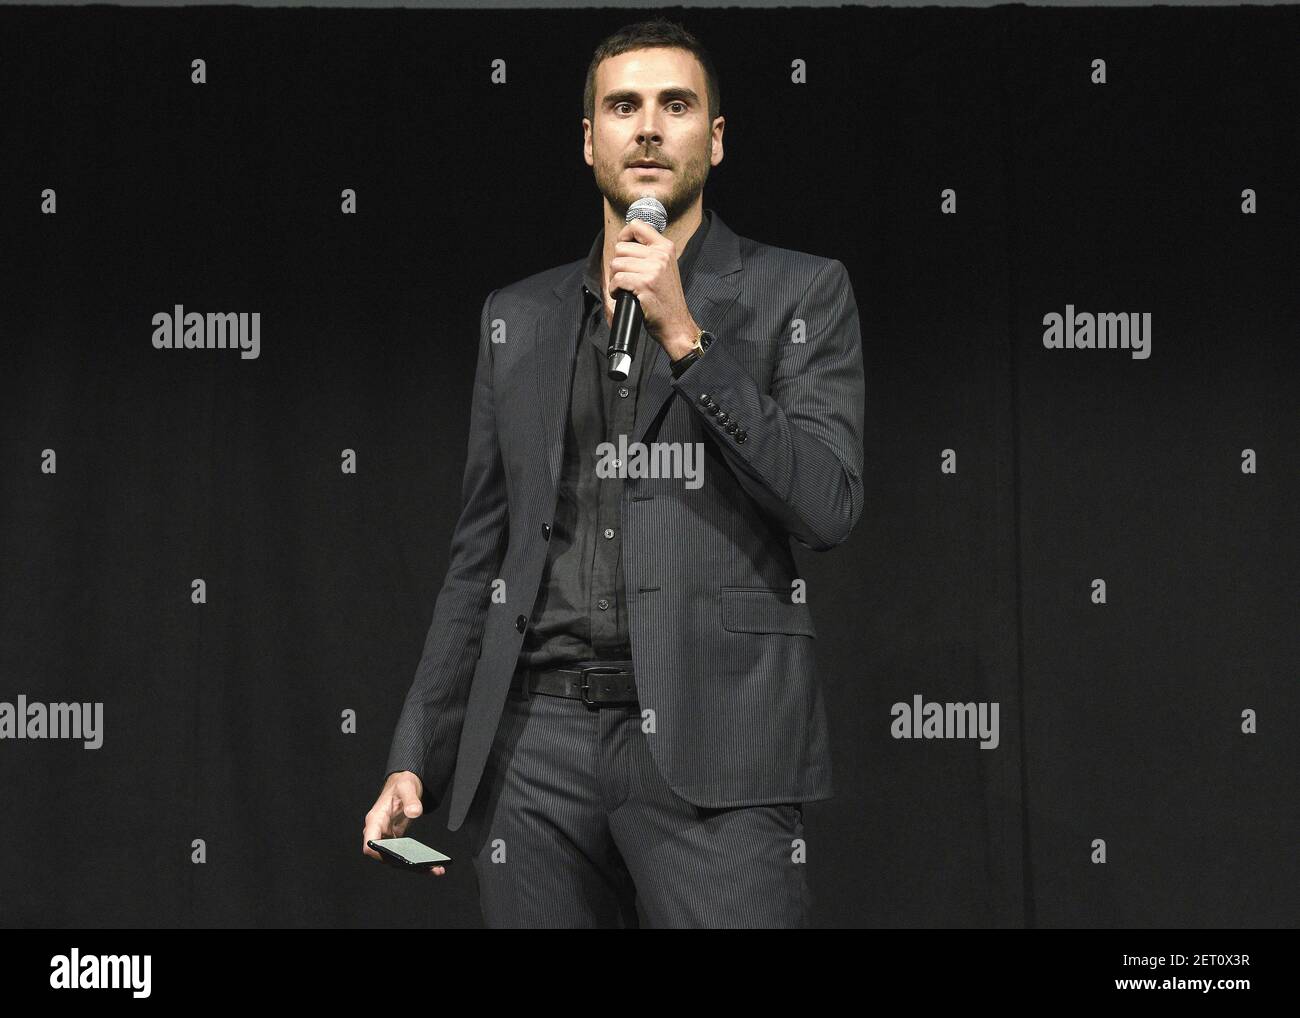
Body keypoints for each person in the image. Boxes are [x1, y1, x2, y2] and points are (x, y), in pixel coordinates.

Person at [363, 17, 864, 927]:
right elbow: (481, 559)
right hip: (534, 746)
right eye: (622, 105)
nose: (646, 127)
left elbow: (826, 505)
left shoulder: (801, 292)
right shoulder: (518, 316)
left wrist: (686, 336)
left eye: (676, 106)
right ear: (588, 137)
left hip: (715, 743)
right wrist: (415, 752)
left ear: (714, 138)